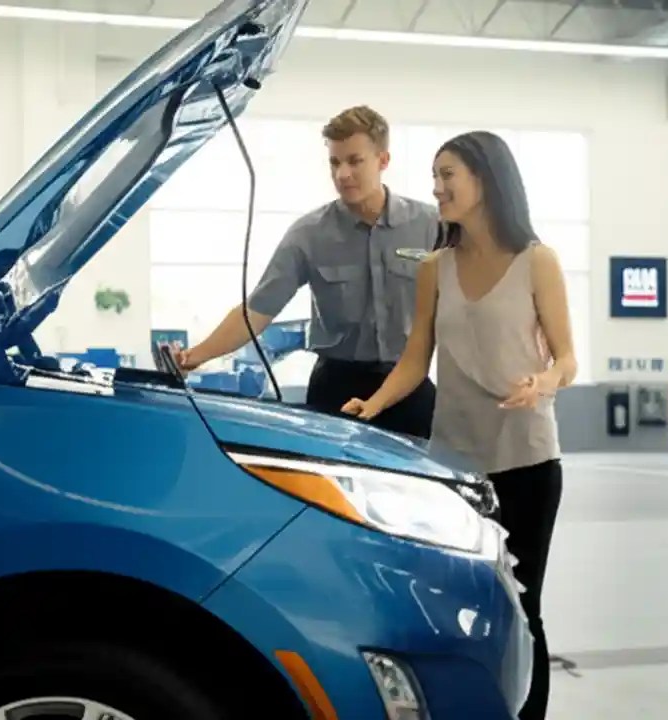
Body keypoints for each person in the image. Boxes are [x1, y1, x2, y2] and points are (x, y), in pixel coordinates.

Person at [340, 130, 576, 720]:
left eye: (448, 175)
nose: (437, 188)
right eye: (435, 176)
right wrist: (373, 404)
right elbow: (415, 359)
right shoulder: (435, 268)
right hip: (455, 469)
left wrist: (543, 382)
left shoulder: (537, 261)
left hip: (526, 458)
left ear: (486, 180)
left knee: (522, 608)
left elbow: (568, 359)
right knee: (455, 606)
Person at [171, 105, 441, 439]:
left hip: (408, 388)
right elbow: (256, 311)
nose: (342, 174)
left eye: (354, 161)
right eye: (334, 162)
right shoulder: (309, 234)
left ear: (383, 160)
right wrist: (194, 357)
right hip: (336, 391)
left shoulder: (431, 225)